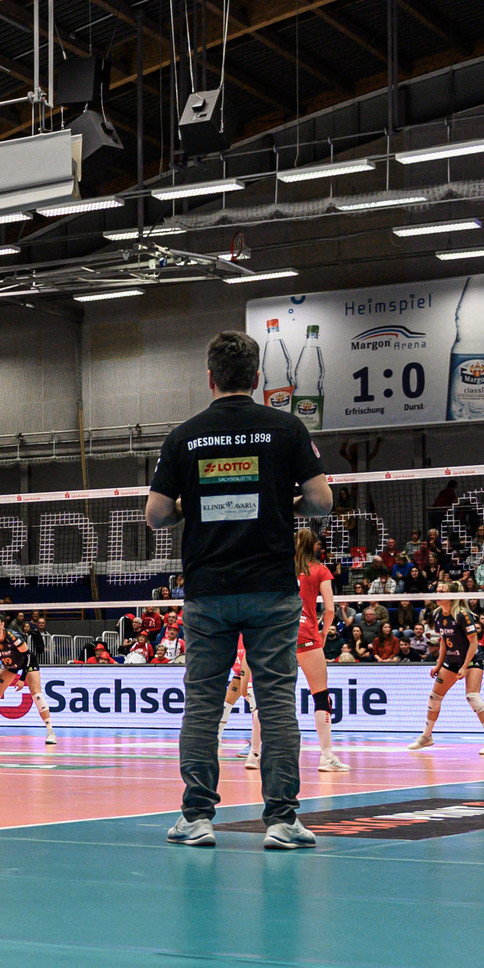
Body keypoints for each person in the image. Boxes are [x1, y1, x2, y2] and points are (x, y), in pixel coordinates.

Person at [147, 330, 333, 849]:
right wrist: (281, 504)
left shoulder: (185, 435)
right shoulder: (286, 427)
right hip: (272, 589)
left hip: (207, 589)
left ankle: (197, 817)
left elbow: (157, 515)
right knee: (275, 700)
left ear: (210, 378)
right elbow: (322, 501)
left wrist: (197, 504)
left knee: (203, 703)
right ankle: (281, 820)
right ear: (257, 379)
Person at [410, 582, 484, 754]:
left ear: (451, 595)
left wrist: (465, 667)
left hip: (472, 658)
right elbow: (444, 641)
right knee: (434, 697)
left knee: (472, 697)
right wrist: (438, 663)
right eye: (436, 591)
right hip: (452, 659)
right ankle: (427, 737)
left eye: (441, 591)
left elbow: (474, 643)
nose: (437, 594)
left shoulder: (463, 615)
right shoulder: (437, 615)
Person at [294, 528, 348, 772]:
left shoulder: (281, 567)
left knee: (270, 695)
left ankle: (257, 752)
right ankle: (326, 756)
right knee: (320, 694)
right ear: (315, 545)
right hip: (306, 633)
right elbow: (329, 609)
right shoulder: (320, 569)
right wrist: (324, 632)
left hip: (277, 633)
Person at [0, 613, 56, 745]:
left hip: (28, 663)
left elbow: (28, 656)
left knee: (37, 695)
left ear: (2, 624)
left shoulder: (13, 637)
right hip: (9, 666)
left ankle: (50, 732)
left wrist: (22, 679)